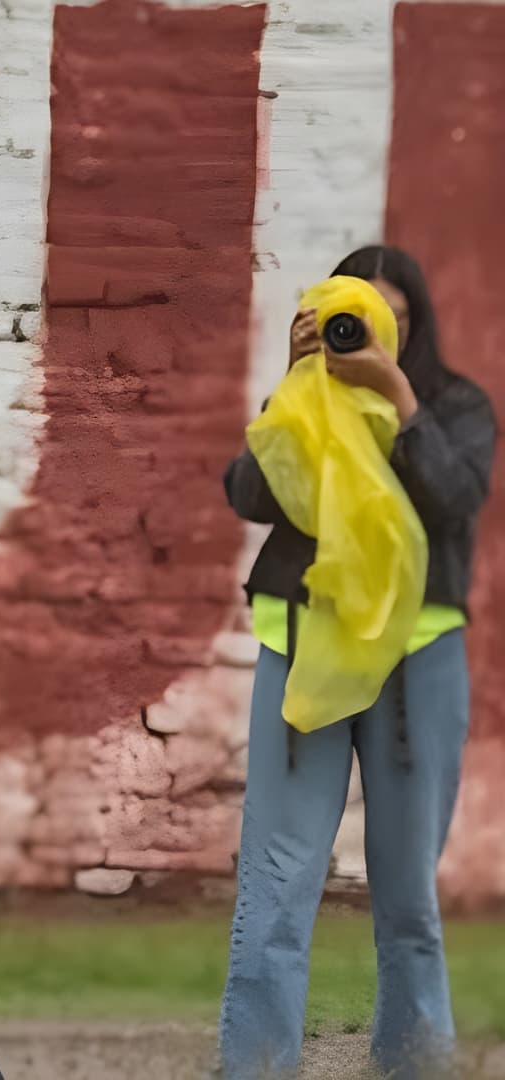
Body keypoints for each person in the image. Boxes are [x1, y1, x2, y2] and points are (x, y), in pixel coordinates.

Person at [219, 245, 494, 1080]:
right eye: (356, 320)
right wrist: (297, 382)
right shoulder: (305, 398)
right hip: (305, 643)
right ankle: (255, 1069)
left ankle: (416, 1066)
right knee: (276, 878)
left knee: (408, 893)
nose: (371, 337)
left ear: (414, 326)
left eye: (392, 324)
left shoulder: (454, 403)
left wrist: (398, 396)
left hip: (417, 658)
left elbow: (453, 503)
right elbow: (248, 495)